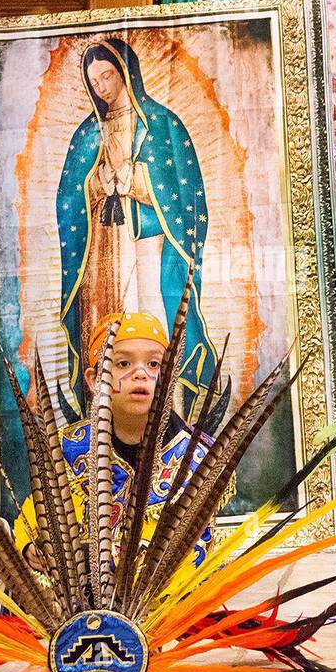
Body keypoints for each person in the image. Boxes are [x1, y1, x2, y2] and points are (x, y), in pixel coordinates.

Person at [55, 38, 216, 423]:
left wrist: (138, 179)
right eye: (95, 82)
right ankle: (103, 426)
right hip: (101, 250)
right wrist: (97, 183)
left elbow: (187, 198)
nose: (103, 87)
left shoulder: (162, 124)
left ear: (127, 73)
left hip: (150, 246)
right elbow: (67, 200)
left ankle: (168, 420)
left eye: (108, 75)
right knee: (104, 330)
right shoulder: (87, 133)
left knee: (153, 319)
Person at [12, 311, 219, 572]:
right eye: (123, 364)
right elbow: (35, 519)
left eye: (154, 365)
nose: (140, 374)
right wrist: (33, 548)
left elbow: (197, 557)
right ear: (93, 380)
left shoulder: (197, 457)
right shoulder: (69, 449)